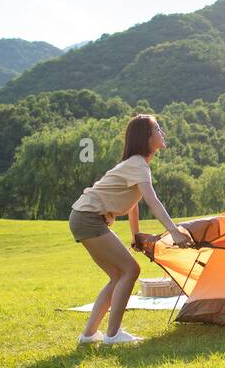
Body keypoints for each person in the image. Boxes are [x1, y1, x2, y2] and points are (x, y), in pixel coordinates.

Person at [68, 114, 191, 344]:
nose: (162, 133)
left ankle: (89, 335)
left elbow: (134, 204)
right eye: (158, 129)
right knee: (130, 271)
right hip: (88, 218)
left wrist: (135, 235)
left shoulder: (136, 165)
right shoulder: (138, 164)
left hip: (83, 217)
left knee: (117, 275)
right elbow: (152, 201)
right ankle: (113, 335)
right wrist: (174, 231)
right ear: (146, 137)